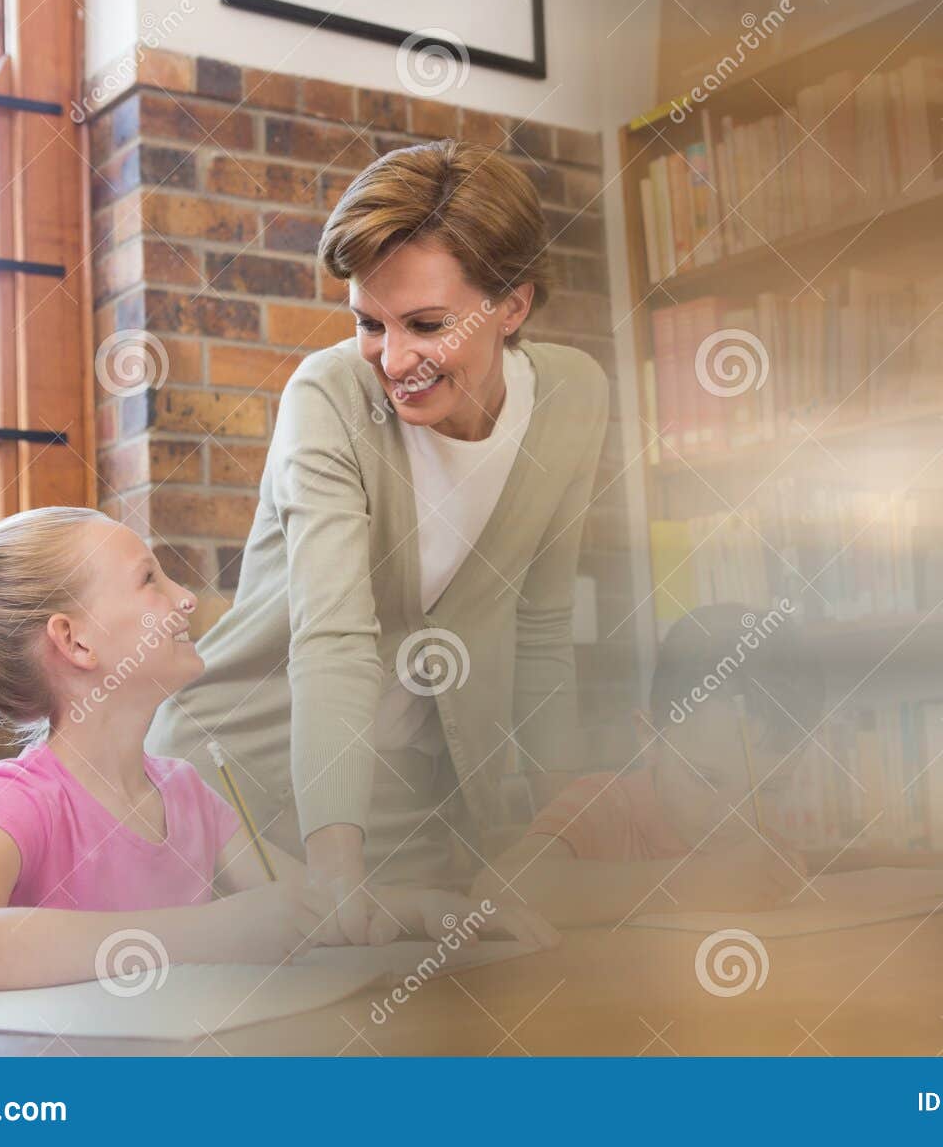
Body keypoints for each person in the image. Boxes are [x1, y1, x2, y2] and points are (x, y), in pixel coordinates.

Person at [146, 139, 608, 946]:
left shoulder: (574, 397)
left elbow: (540, 628)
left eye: (427, 324)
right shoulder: (329, 397)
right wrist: (335, 879)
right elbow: (334, 640)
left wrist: (560, 839)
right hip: (242, 791)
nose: (393, 360)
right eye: (369, 323)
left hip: (417, 802)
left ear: (513, 305)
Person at [0, 507, 548, 996]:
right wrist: (206, 934)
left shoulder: (189, 792)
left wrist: (431, 911)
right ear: (74, 642)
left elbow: (314, 906)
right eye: (149, 580)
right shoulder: (19, 800)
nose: (185, 598)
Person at [474, 604, 824, 925]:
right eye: (706, 778)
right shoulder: (605, 806)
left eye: (770, 788)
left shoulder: (762, 848)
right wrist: (698, 883)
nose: (736, 815)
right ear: (650, 739)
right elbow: (495, 893)